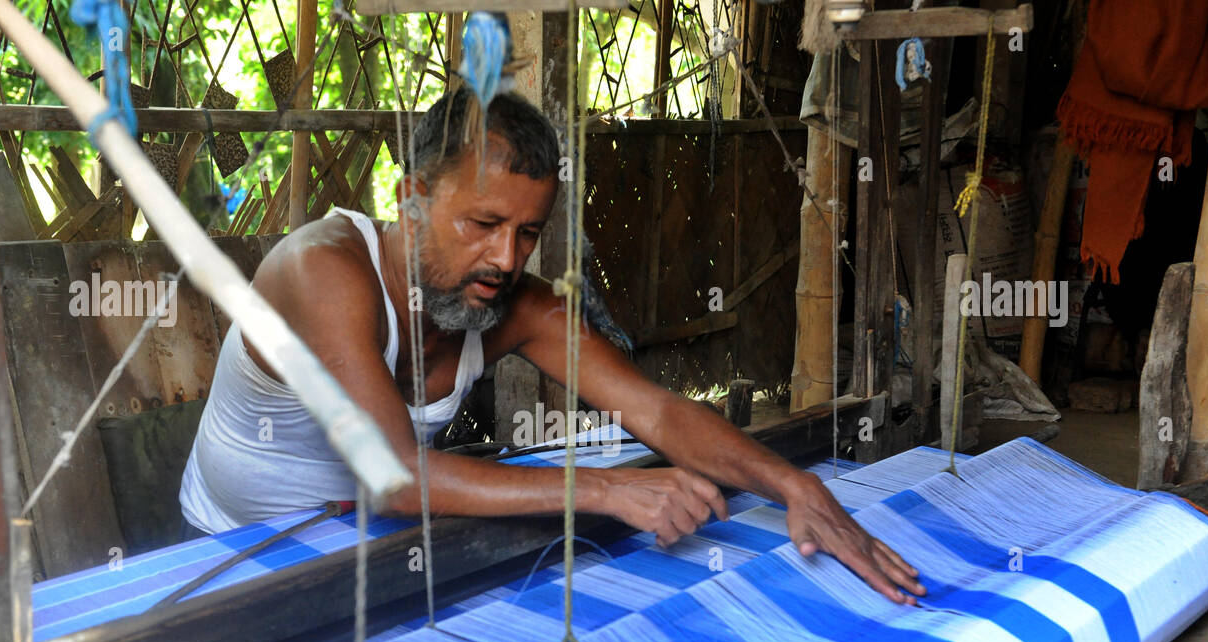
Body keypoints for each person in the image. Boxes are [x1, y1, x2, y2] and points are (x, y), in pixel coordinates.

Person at [180, 88, 925, 605]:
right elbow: (395, 479)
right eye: (482, 223)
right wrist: (604, 490)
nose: (508, 257)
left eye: (528, 231)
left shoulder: (517, 304)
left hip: (372, 559)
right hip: (232, 562)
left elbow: (658, 414)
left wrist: (794, 486)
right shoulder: (324, 271)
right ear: (410, 199)